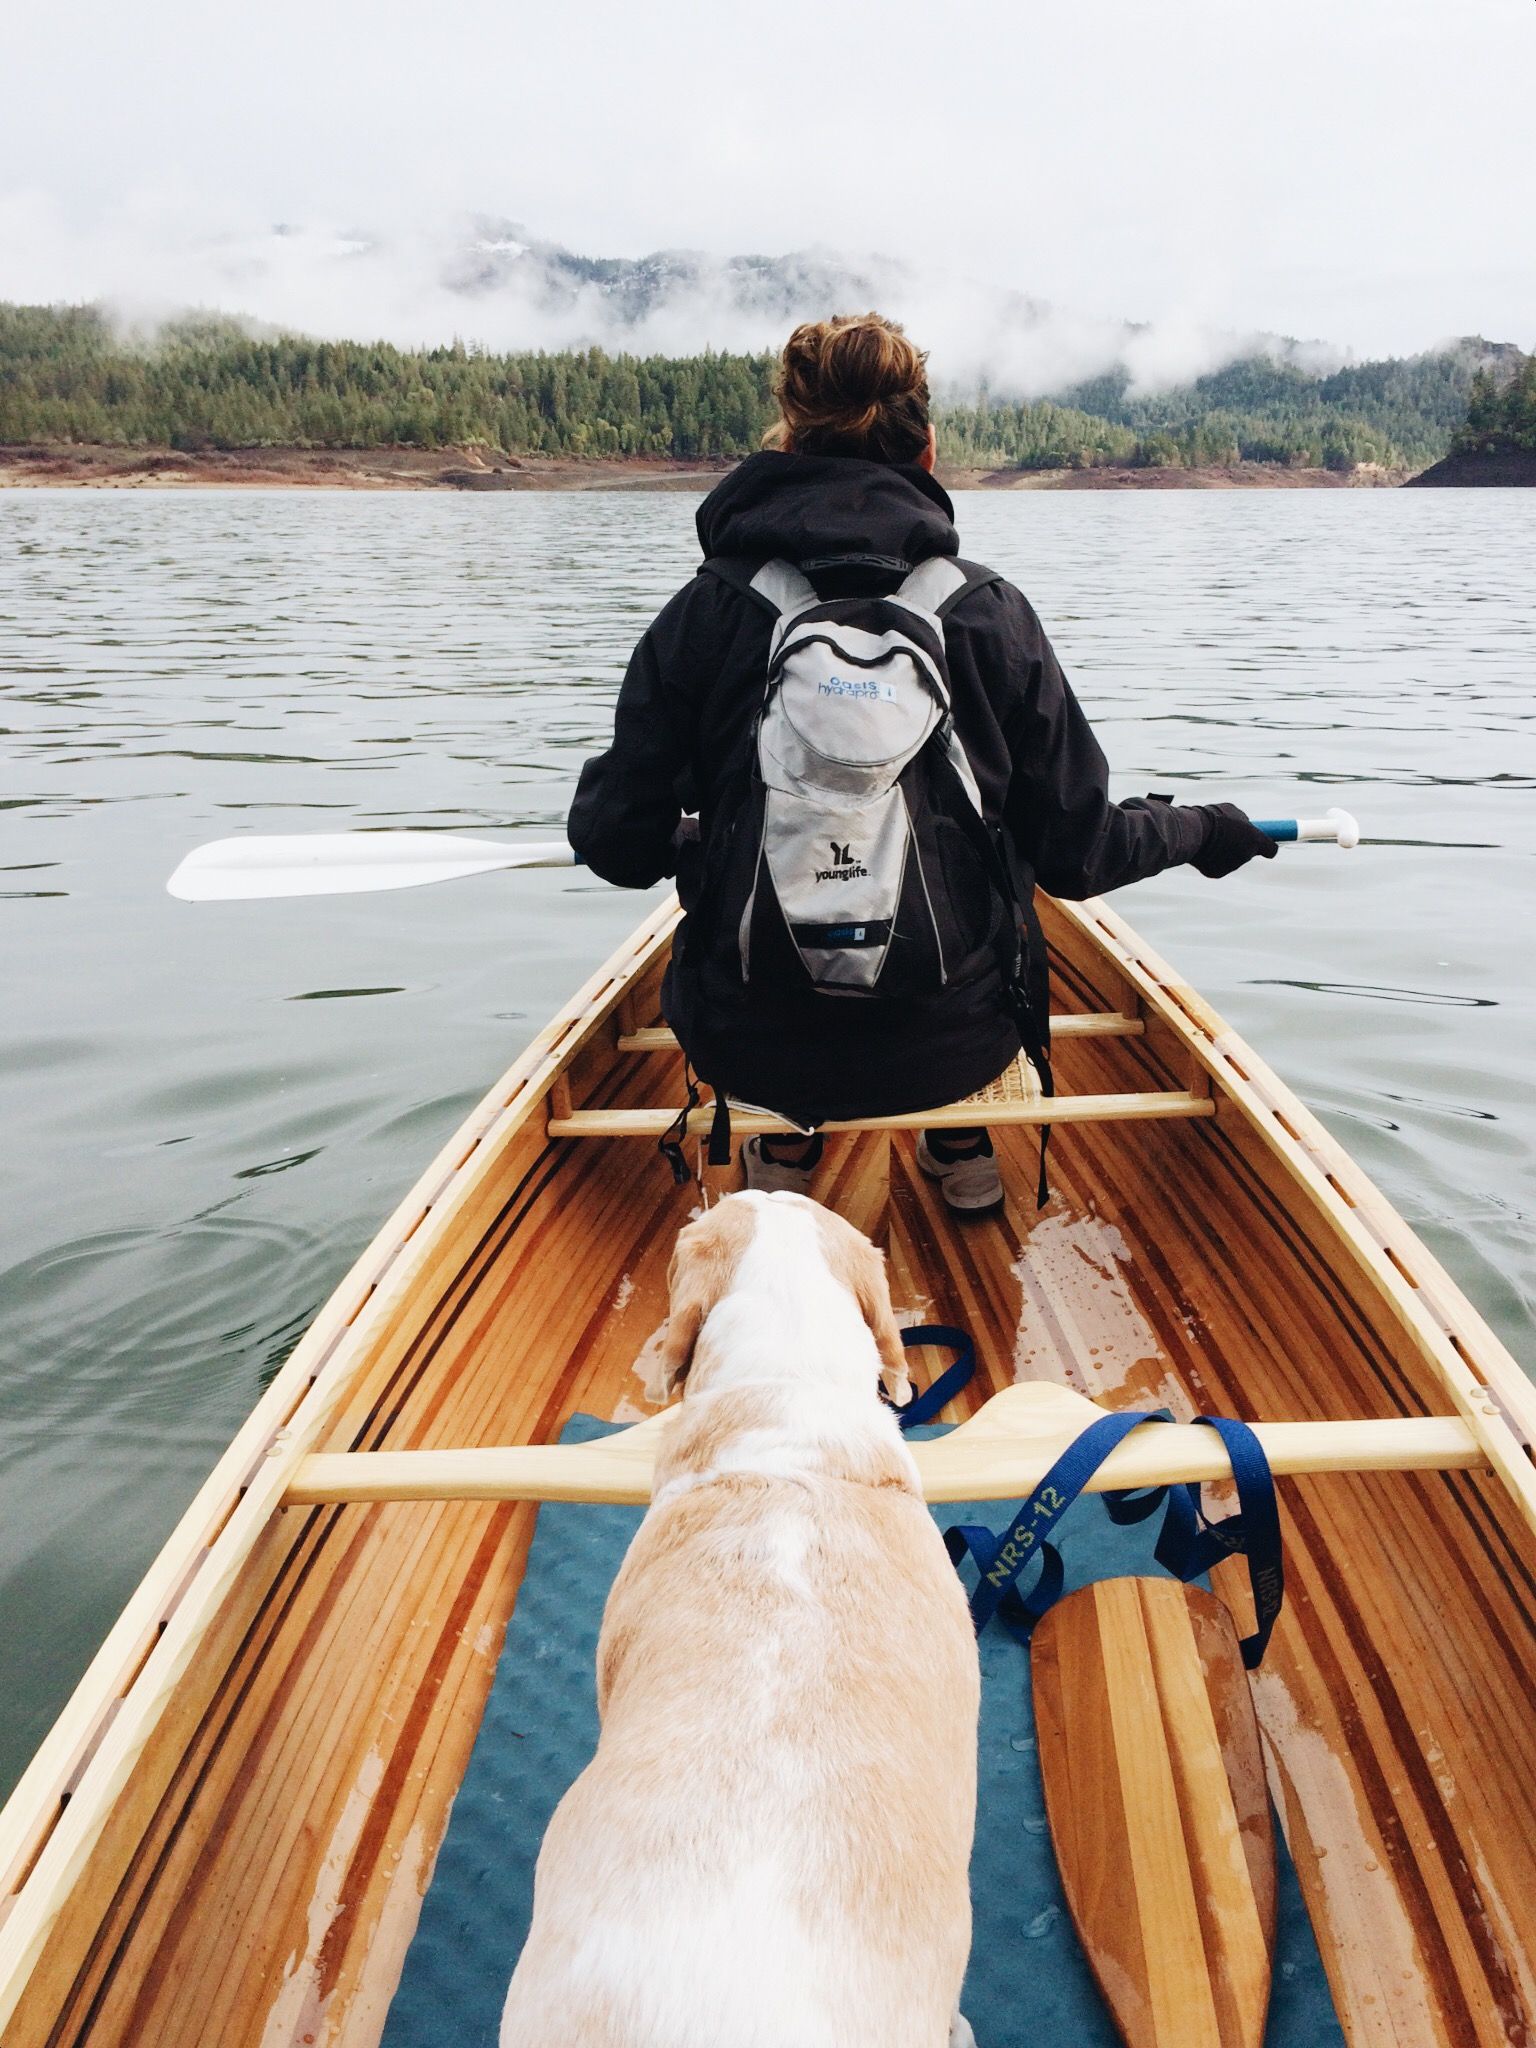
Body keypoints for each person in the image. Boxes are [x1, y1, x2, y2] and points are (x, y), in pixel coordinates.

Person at [568, 313, 1274, 1213]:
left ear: (785, 437)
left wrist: (697, 822)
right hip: (956, 1038)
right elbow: (1077, 852)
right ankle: (959, 1135)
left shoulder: (704, 615)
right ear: (928, 452)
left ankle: (785, 1140)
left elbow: (618, 847)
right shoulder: (986, 612)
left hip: (754, 1040)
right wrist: (1201, 828)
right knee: (997, 842)